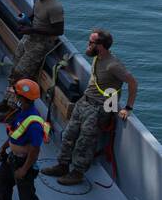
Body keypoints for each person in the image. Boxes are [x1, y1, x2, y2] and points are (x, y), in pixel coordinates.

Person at [43, 29, 138, 186]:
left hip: (98, 109)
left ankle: (77, 173)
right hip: (84, 102)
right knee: (68, 135)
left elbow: (133, 83)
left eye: (91, 43)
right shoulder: (97, 57)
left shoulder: (113, 65)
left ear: (100, 46)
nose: (88, 45)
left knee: (84, 143)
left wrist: (128, 108)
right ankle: (62, 165)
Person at [0, 0, 64, 121]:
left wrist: (33, 30)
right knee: (15, 71)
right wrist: (26, 21)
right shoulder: (37, 0)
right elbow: (35, 15)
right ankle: (6, 102)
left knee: (22, 76)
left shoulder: (55, 7)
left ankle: (15, 111)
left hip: (40, 45)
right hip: (29, 39)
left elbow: (58, 30)